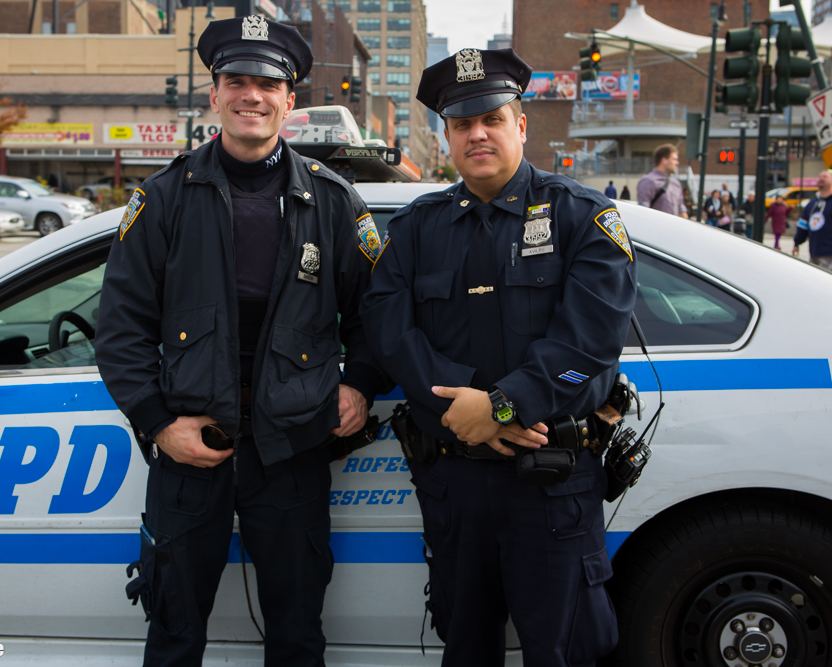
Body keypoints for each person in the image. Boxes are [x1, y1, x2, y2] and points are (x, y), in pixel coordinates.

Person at [94, 16, 389, 666]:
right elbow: (120, 328)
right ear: (214, 94)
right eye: (236, 80)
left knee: (296, 633)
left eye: (267, 83)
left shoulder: (333, 201)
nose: (250, 94)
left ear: (289, 100)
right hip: (190, 449)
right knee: (172, 630)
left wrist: (360, 381)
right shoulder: (164, 199)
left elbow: (379, 313)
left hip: (292, 450)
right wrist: (157, 422)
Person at [360, 48, 638, 667]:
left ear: (521, 125)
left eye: (492, 117)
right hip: (454, 481)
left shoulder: (581, 217)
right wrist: (462, 407)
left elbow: (590, 341)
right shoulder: (414, 230)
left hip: (553, 479)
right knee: (465, 646)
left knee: (564, 651)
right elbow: (387, 328)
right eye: (462, 124)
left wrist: (503, 407)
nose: (477, 133)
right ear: (448, 137)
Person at [636, 143, 688, 218]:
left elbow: (682, 212)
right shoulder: (648, 182)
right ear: (664, 160)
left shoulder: (676, 183)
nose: (677, 163)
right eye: (674, 159)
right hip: (655, 228)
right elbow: (643, 214)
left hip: (674, 228)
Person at [794, 170, 832, 269]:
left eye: (825, 176)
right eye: (820, 177)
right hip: (814, 253)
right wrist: (796, 243)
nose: (821, 179)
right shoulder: (812, 204)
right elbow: (803, 225)